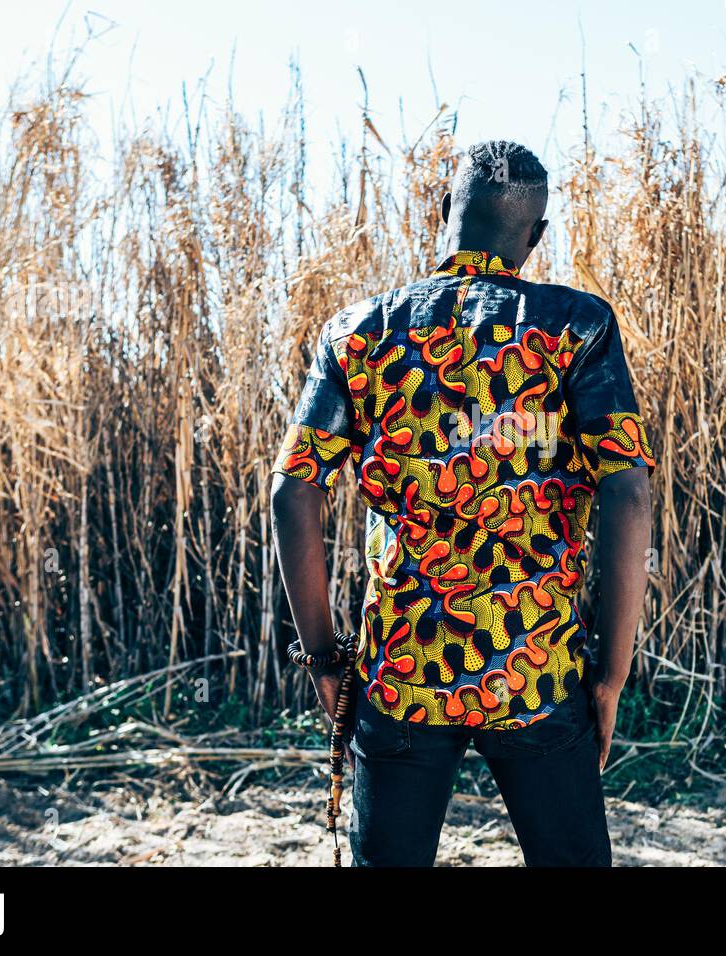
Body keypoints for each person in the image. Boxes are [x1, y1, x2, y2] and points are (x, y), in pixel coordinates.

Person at [270, 140, 654, 867]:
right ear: (535, 237)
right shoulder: (576, 326)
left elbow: (293, 493)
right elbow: (628, 487)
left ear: (443, 213)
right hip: (536, 668)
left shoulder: (359, 332)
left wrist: (325, 661)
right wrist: (608, 674)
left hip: (401, 671)